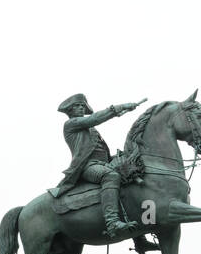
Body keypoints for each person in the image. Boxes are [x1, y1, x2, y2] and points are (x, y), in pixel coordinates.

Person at [54, 93, 143, 240]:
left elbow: (100, 150)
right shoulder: (71, 124)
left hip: (103, 163)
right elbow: (95, 118)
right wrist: (120, 107)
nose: (81, 108)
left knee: (129, 172)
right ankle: (112, 223)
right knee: (111, 176)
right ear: (70, 110)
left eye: (83, 106)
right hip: (88, 167)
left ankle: (139, 238)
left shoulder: (90, 129)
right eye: (77, 106)